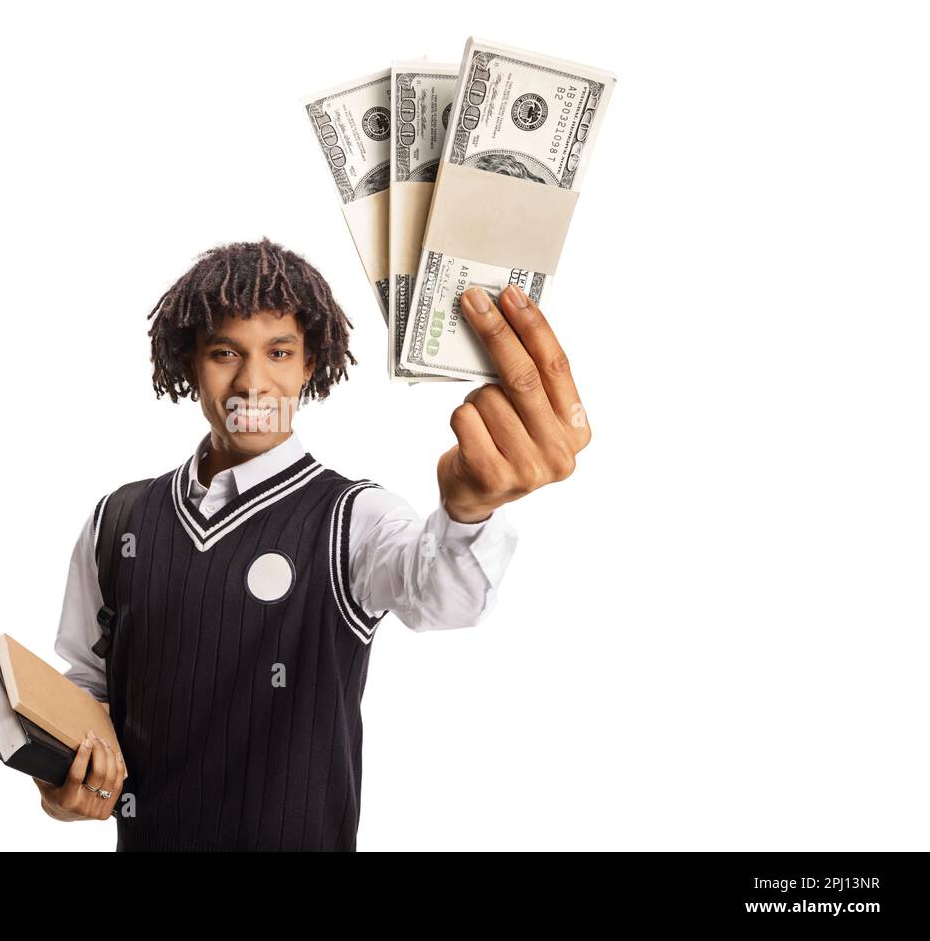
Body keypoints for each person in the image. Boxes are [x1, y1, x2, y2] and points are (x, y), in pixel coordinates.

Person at [35, 238, 589, 850]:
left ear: (309, 364)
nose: (253, 381)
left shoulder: (353, 517)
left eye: (279, 352)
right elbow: (88, 685)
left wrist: (468, 510)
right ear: (189, 361)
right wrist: (64, 776)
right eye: (225, 352)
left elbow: (441, 598)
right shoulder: (118, 520)